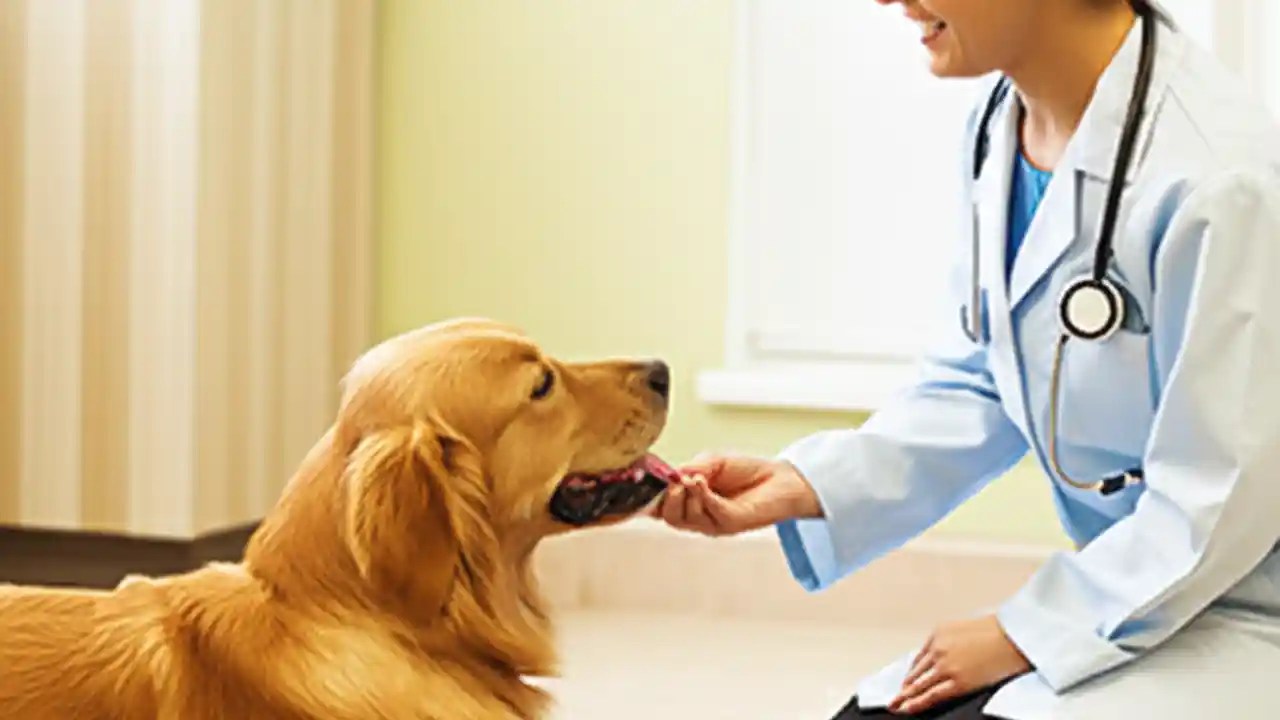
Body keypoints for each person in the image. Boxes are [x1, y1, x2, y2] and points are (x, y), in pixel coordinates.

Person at [652, 1, 1280, 718]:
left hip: (1248, 610)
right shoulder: (1001, 123)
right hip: (1141, 596)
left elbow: (1219, 500)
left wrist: (1024, 633)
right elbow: (984, 376)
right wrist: (805, 483)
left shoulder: (1220, 179)